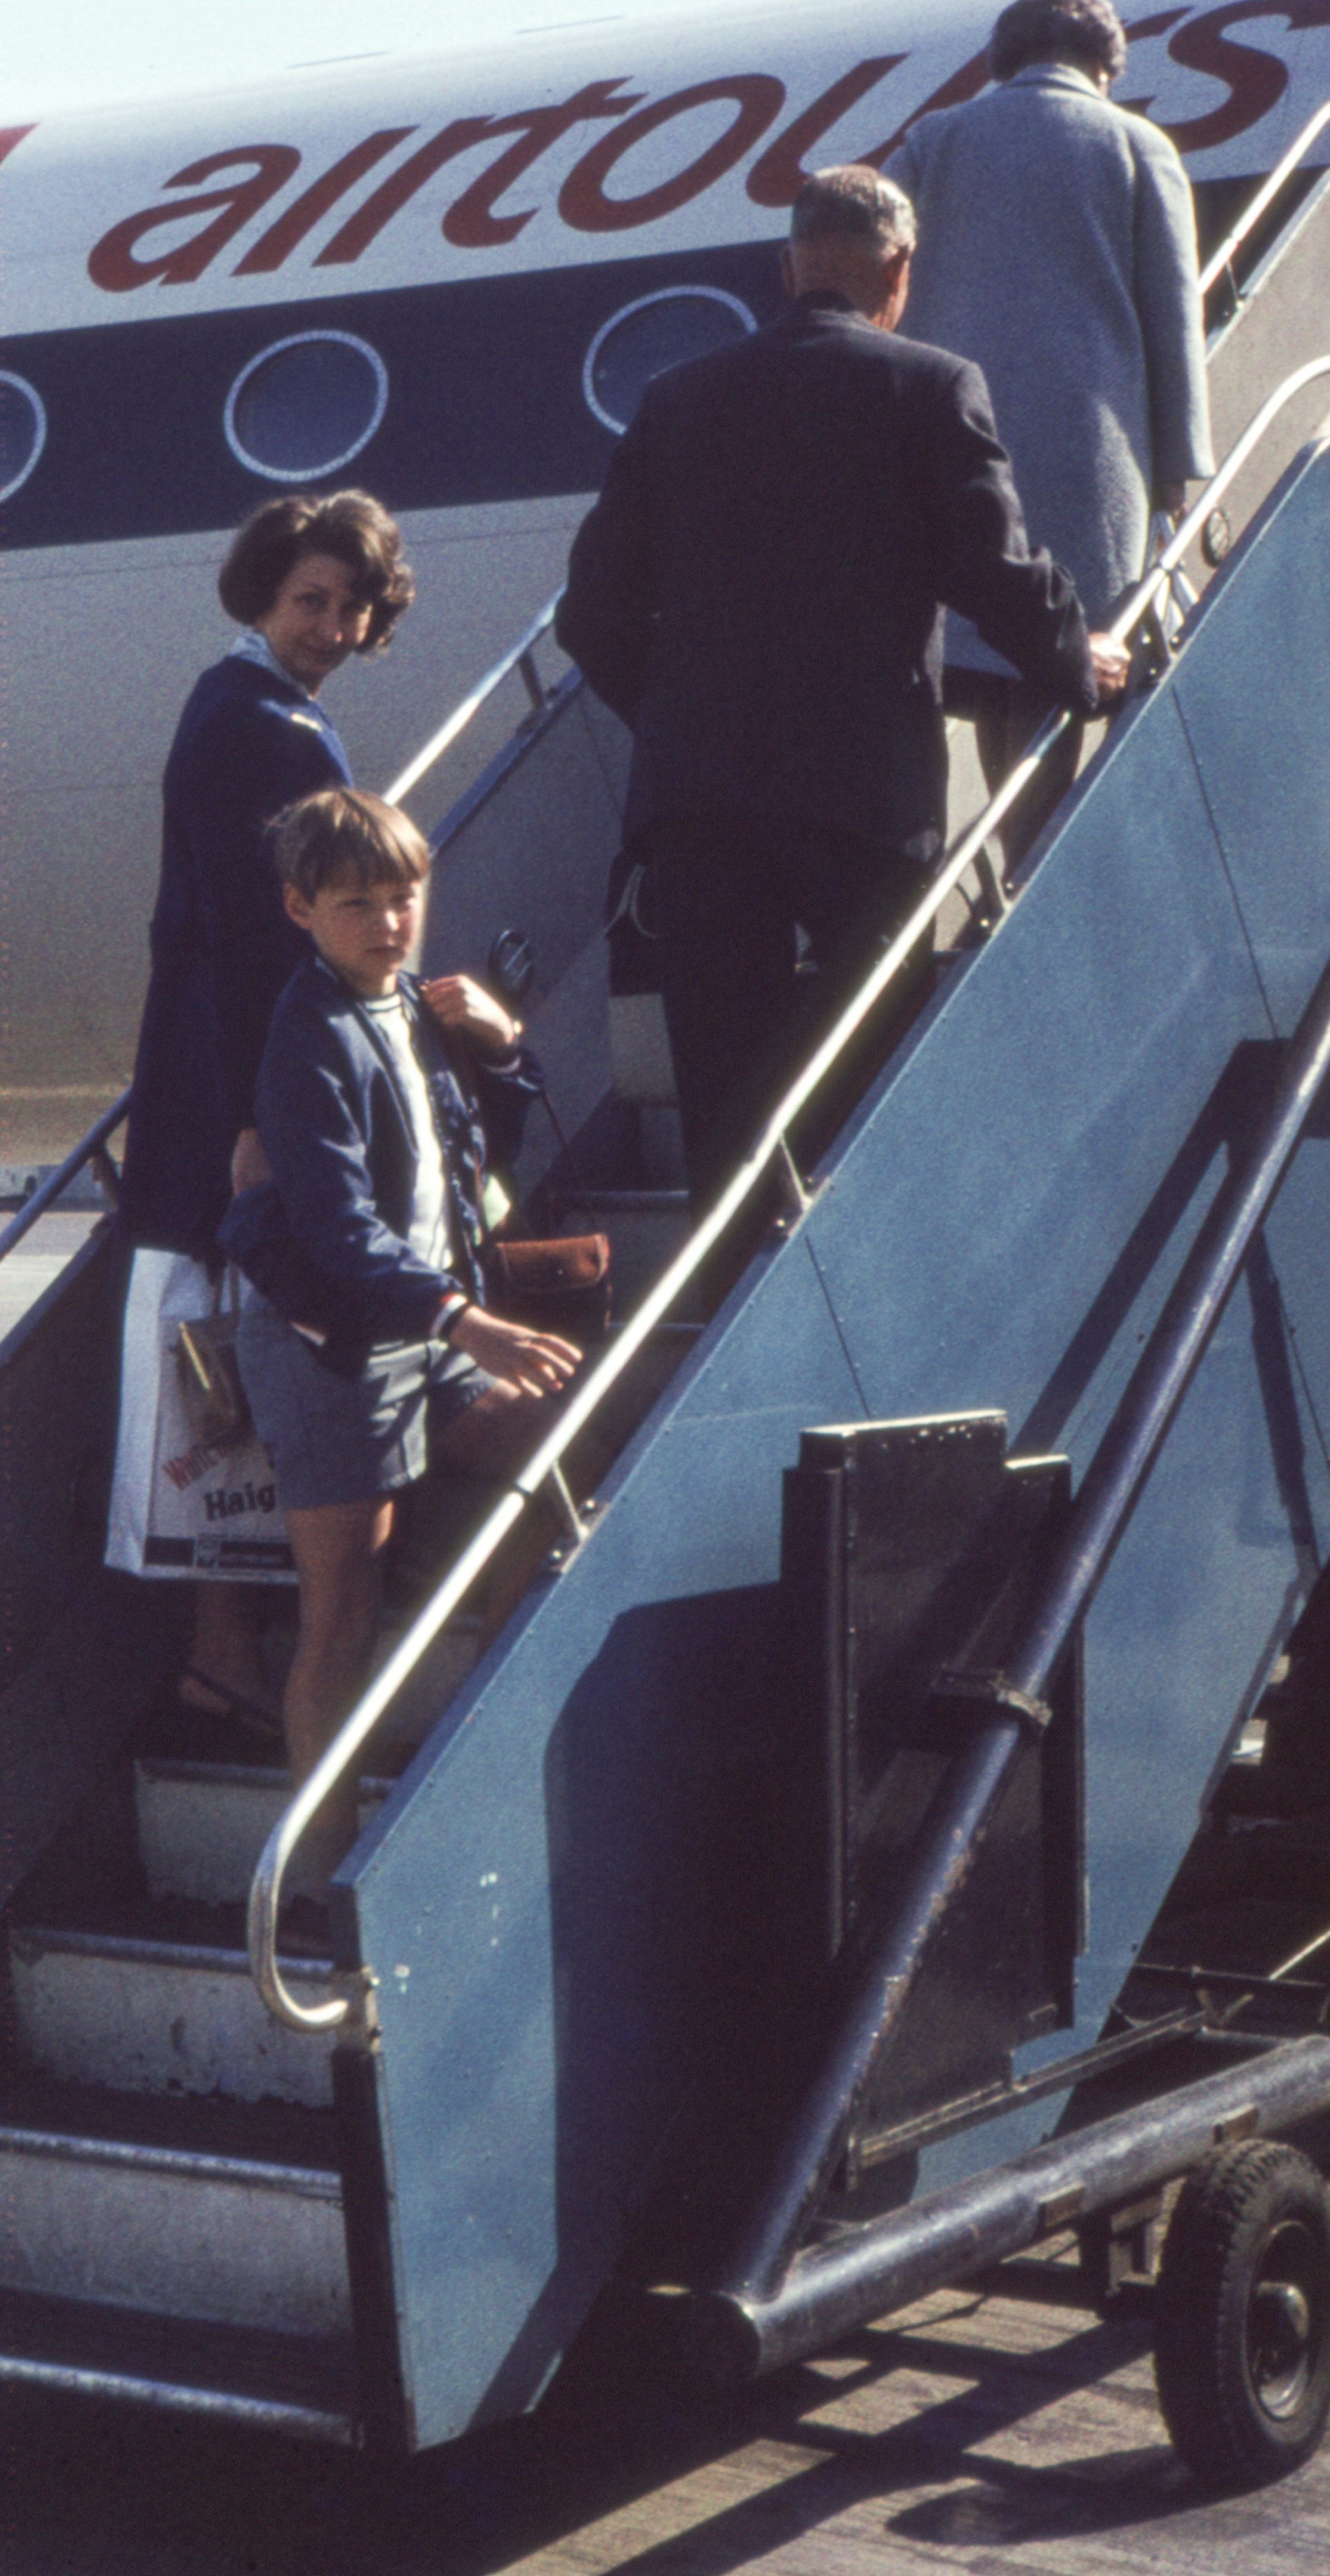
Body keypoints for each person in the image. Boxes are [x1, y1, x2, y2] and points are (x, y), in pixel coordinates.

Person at [556, 163, 1131, 1222]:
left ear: (787, 266)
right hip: (862, 794)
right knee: (875, 1055)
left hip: (701, 805)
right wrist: (1077, 665)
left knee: (726, 1091)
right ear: (899, 271)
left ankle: (733, 1302)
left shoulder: (676, 400)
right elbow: (994, 569)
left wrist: (685, 724)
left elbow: (586, 616)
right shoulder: (930, 384)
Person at [220, 788, 584, 1901]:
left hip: (422, 1321)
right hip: (334, 1343)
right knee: (341, 1607)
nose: (387, 922)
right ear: (301, 908)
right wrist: (463, 1318)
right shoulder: (309, 1034)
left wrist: (506, 1043)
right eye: (356, 904)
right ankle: (316, 1871)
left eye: (403, 897)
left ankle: (476, 1737)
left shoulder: (407, 1005)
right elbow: (334, 1229)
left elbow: (480, 1157)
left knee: (554, 1449)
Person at [110, 492, 416, 1731]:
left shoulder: (225, 700)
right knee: (237, 1365)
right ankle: (227, 1647)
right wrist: (253, 1115)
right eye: (310, 601)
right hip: (236, 1086)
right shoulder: (268, 729)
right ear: (261, 595)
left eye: (352, 606)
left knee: (211, 1370)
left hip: (191, 1073)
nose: (332, 626)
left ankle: (224, 1647)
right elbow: (251, 943)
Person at [883, 0, 1213, 857]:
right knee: (1061, 664)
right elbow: (1172, 321)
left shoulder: (933, 139)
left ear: (1003, 60)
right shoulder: (1139, 145)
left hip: (948, 452)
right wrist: (1180, 469)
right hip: (1088, 462)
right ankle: (1042, 864)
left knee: (970, 661)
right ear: (1106, 65)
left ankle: (994, 861)